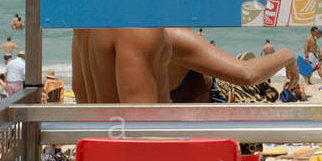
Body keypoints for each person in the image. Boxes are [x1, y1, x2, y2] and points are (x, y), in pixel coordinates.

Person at [69, 27, 302, 105]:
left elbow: (80, 92)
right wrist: (287, 55)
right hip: (216, 101)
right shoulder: (164, 34)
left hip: (99, 150)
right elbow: (246, 74)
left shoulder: (84, 28)